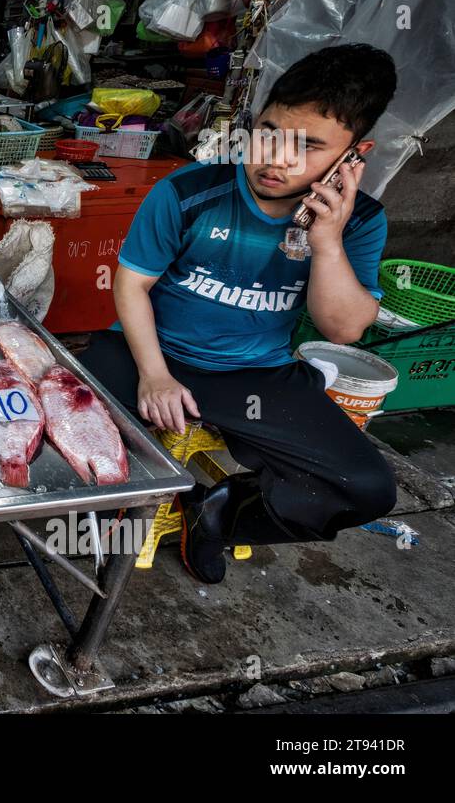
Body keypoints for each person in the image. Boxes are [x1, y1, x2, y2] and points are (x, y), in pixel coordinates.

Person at [78, 43, 399, 584]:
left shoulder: (361, 222)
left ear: (354, 155)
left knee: (364, 488)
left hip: (255, 374)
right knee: (66, 444)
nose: (275, 158)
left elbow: (343, 328)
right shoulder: (189, 191)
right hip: (149, 353)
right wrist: (155, 376)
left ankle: (218, 516)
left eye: (309, 146)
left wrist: (326, 242)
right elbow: (131, 285)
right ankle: (119, 520)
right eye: (269, 132)